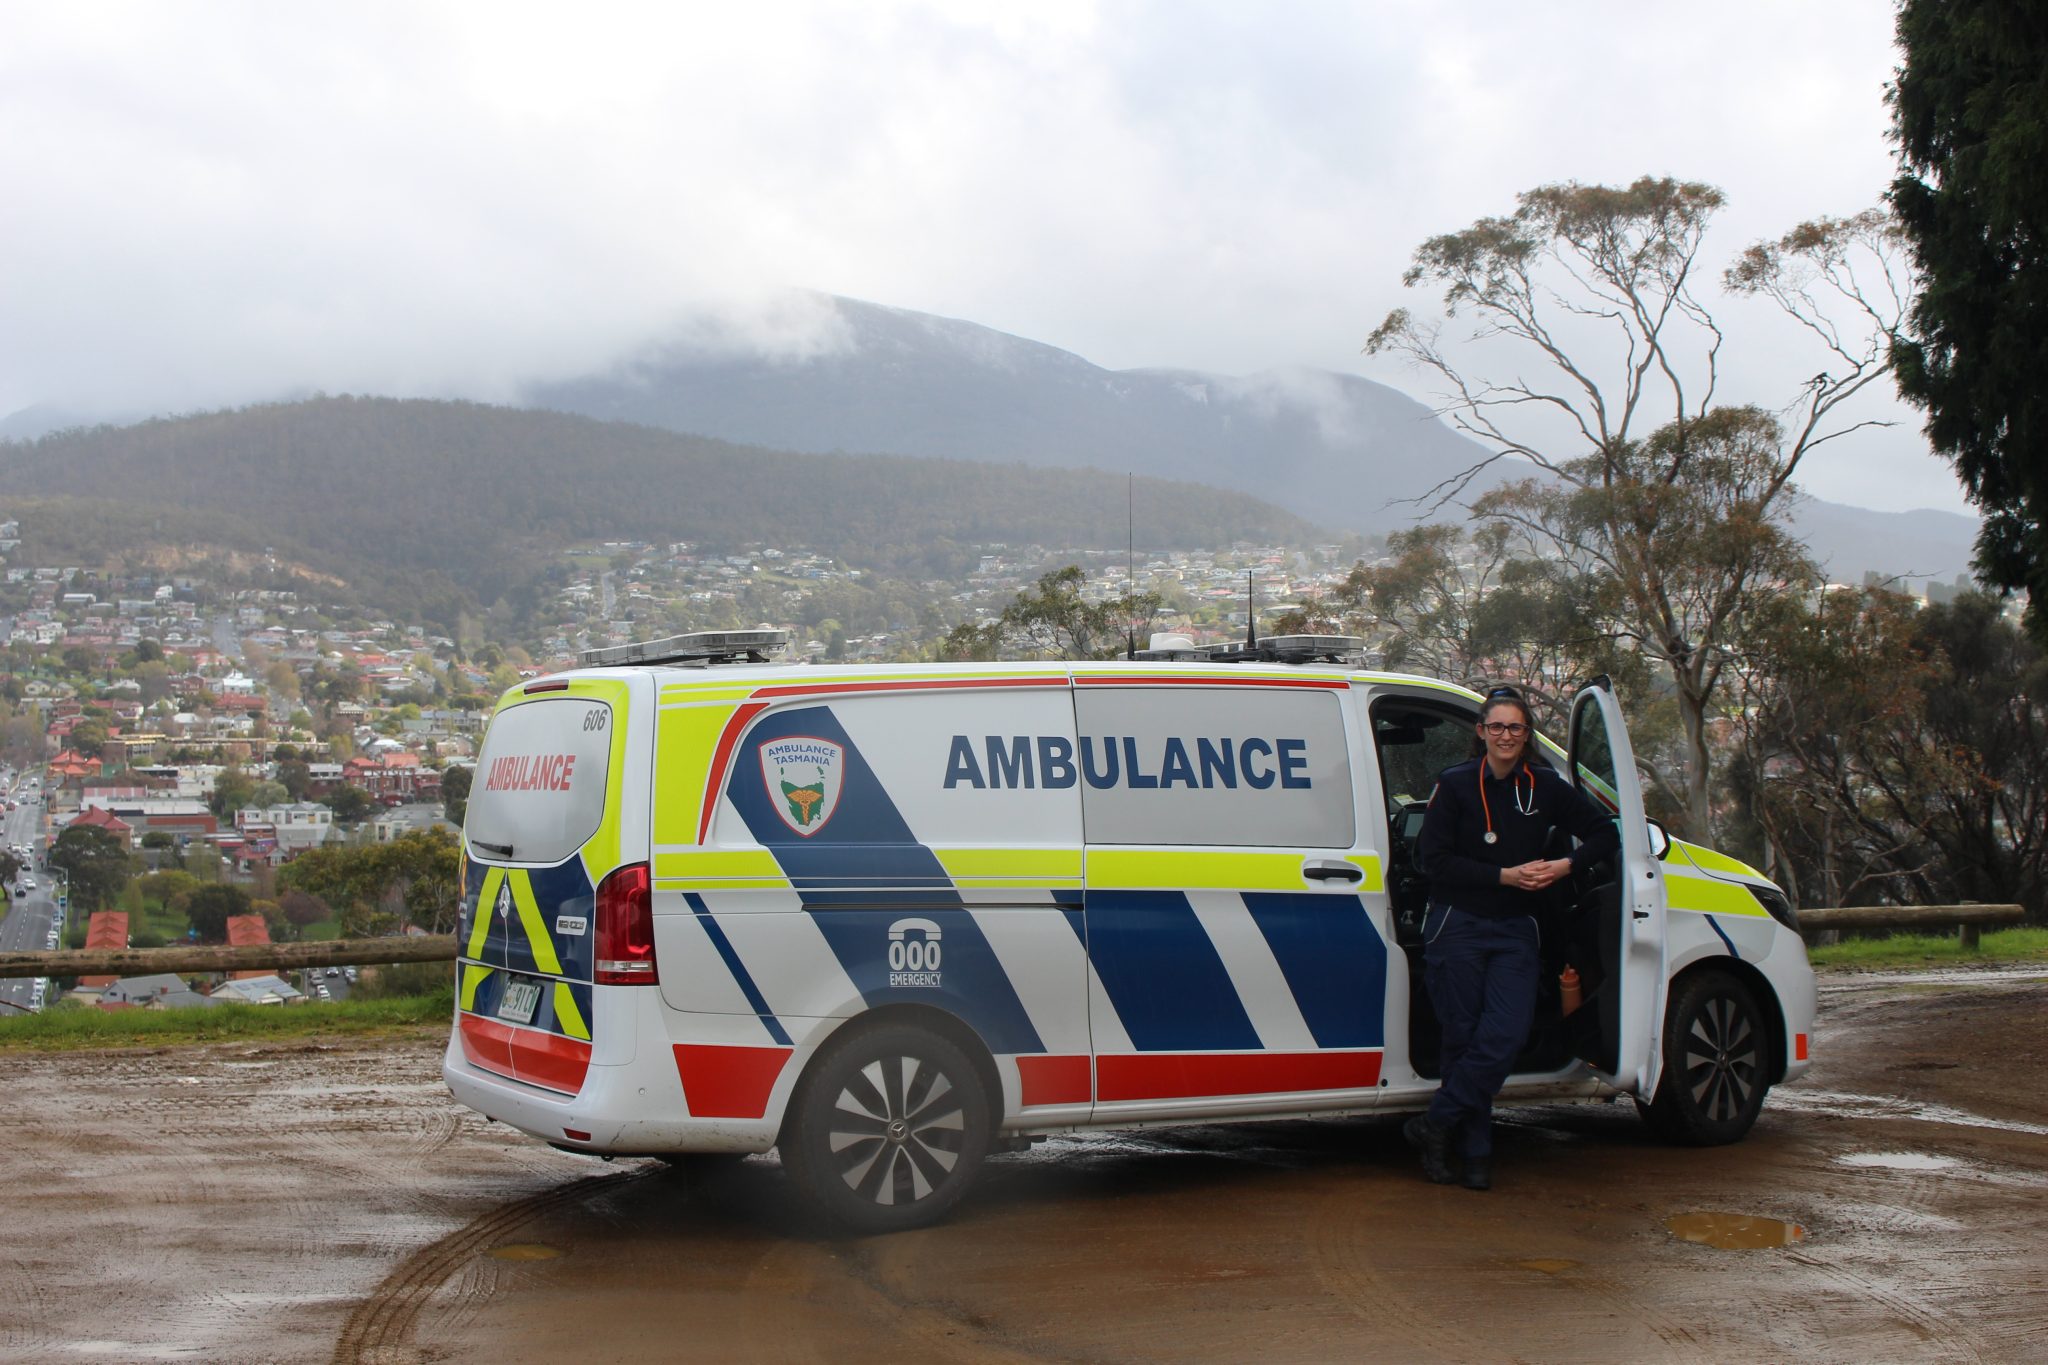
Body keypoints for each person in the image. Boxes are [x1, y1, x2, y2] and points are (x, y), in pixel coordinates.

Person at [1403, 686, 1619, 1191]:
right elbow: (1433, 861)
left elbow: (1605, 832)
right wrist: (1505, 876)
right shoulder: (1455, 783)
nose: (1505, 735)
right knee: (1462, 1038)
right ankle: (1474, 1153)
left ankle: (1435, 1123)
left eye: (1515, 727)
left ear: (1526, 736)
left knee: (1505, 1035)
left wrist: (1566, 865)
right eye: (1497, 726)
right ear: (1481, 732)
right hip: (1457, 922)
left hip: (1515, 928)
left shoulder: (1544, 786)